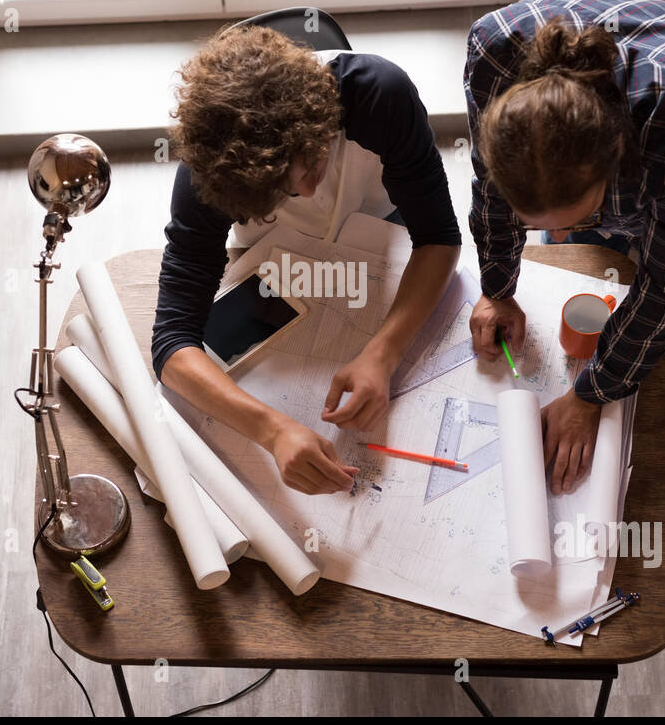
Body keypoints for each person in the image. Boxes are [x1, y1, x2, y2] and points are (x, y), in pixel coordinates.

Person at [465, 0, 665, 494]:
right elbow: (490, 189)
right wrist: (498, 286)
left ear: (611, 174)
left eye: (579, 218)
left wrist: (591, 395)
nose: (558, 237)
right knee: (585, 260)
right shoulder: (492, 55)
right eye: (540, 222)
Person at [152, 25, 462, 496]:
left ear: (315, 123)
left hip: (379, 215)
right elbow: (172, 345)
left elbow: (438, 237)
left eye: (313, 164)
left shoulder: (379, 95)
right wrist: (273, 430)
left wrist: (381, 356)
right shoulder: (210, 172)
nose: (310, 192)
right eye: (284, 191)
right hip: (274, 251)